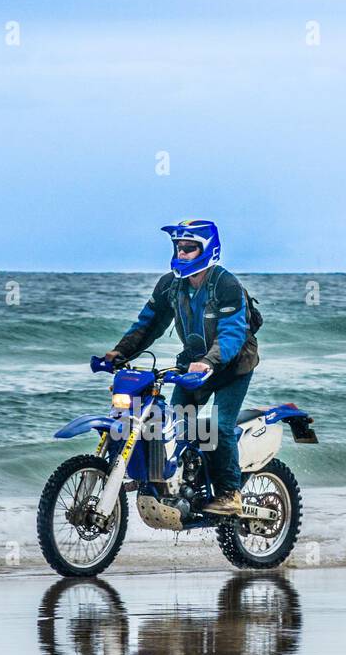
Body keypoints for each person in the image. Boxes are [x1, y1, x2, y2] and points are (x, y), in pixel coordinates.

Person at [103, 219, 259, 515]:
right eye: (179, 248)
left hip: (233, 366)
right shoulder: (170, 285)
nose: (182, 253)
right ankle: (180, 483)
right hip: (193, 368)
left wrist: (209, 362)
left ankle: (230, 493)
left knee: (219, 426)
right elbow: (148, 324)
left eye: (189, 248)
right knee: (176, 426)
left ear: (208, 250)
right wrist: (120, 352)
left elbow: (232, 333)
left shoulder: (226, 285)